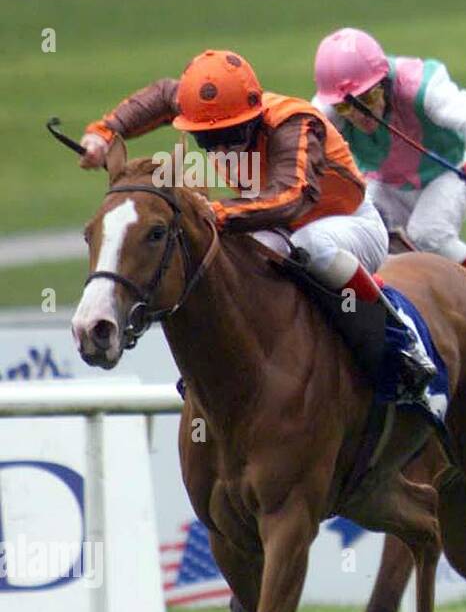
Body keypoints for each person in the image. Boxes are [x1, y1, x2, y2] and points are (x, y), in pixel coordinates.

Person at [78, 48, 439, 397]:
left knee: (312, 246)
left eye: (229, 134)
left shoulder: (295, 123)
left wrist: (215, 214)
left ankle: (398, 337)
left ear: (251, 114)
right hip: (274, 225)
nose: (220, 148)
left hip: (347, 222)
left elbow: (292, 199)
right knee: (218, 260)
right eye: (207, 139)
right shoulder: (209, 104)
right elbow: (160, 95)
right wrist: (105, 131)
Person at [312, 28, 466, 372]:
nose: (359, 114)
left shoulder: (422, 85)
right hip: (385, 180)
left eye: (368, 99)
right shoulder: (325, 111)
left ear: (386, 83)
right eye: (346, 106)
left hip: (445, 172)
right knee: (364, 241)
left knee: (429, 234)